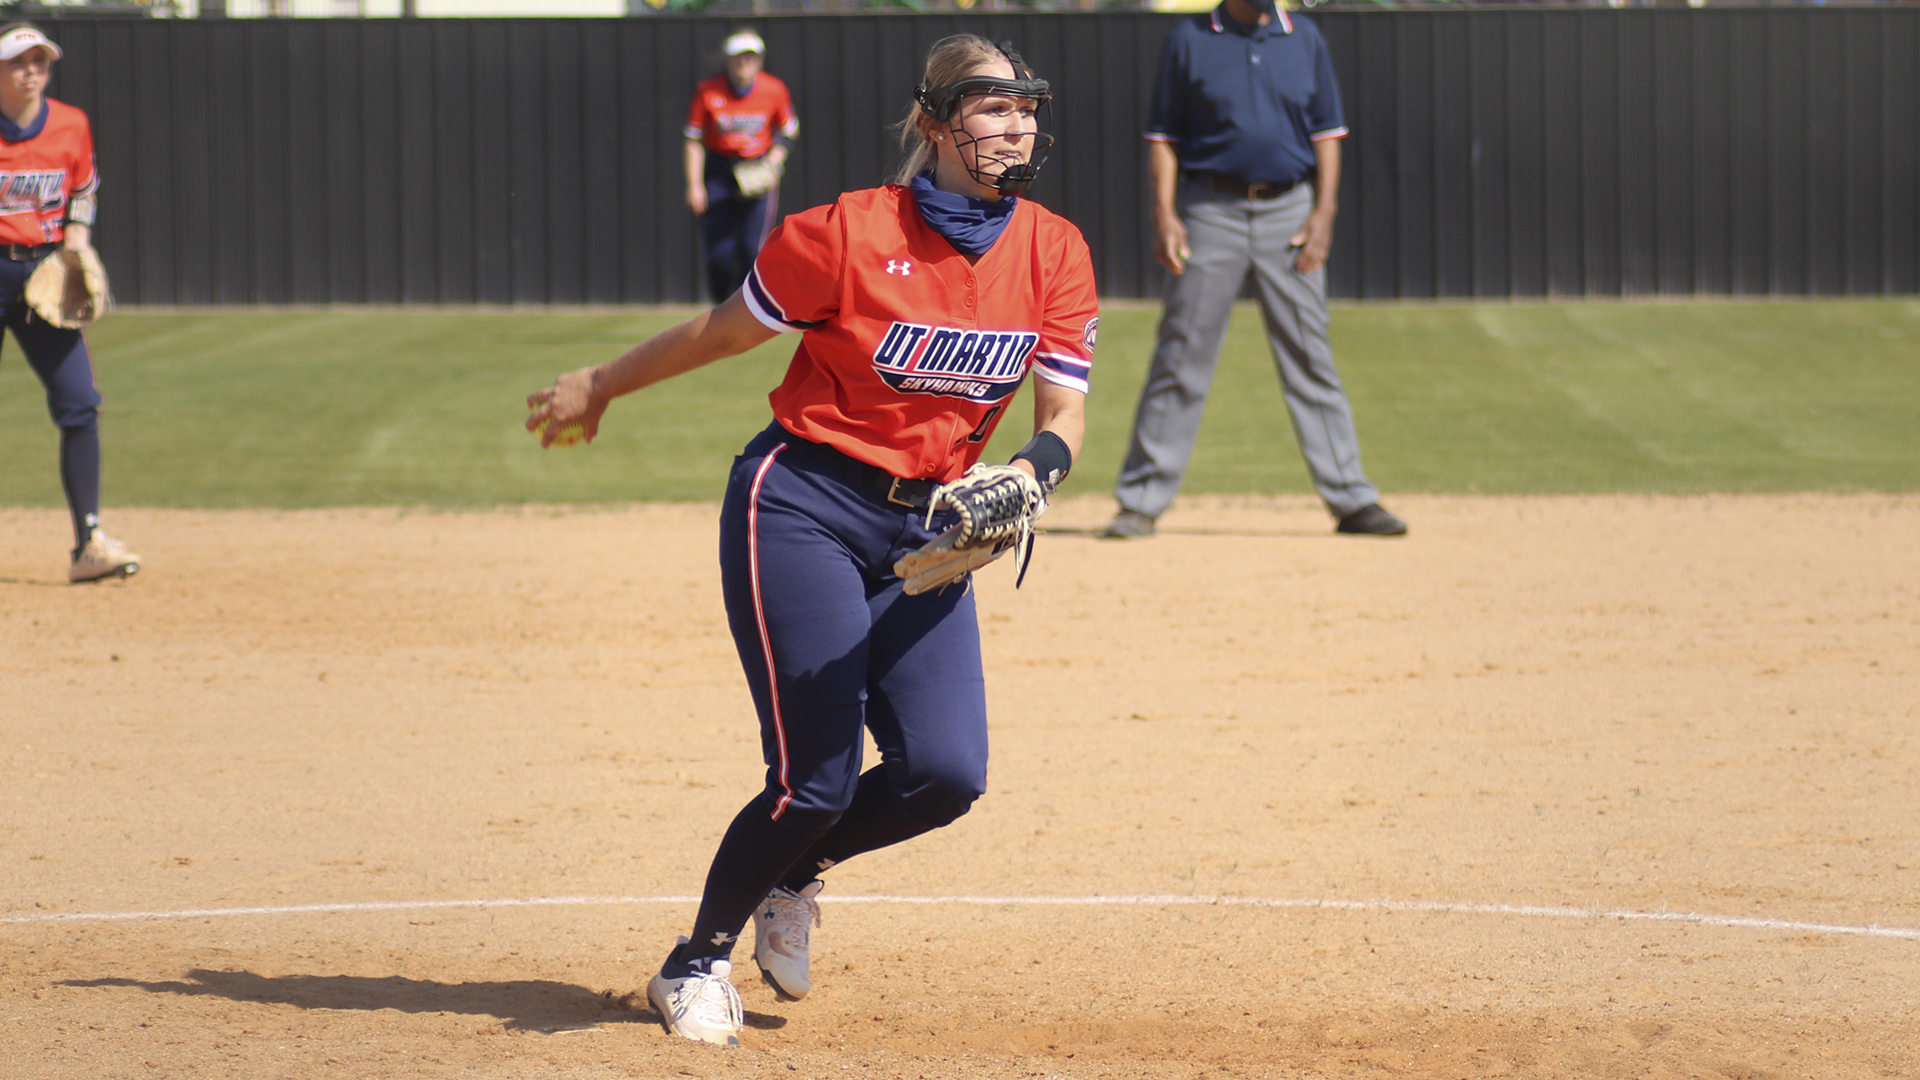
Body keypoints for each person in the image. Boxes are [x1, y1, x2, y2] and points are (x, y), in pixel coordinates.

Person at [529, 35, 1095, 1047]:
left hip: (931, 526)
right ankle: (694, 961)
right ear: (932, 123)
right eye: (991, 107)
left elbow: (1064, 419)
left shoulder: (1054, 249)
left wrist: (1029, 474)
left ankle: (794, 873)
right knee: (818, 778)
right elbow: (721, 334)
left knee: (945, 774)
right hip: (804, 505)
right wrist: (600, 383)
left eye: (1027, 109)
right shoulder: (841, 232)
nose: (1015, 127)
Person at [1104, 0, 1405, 540]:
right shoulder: (1191, 39)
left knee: (1310, 355)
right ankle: (1141, 501)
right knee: (1181, 354)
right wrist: (1165, 211)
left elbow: (1328, 135)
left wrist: (1324, 212)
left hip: (1289, 211)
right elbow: (1163, 138)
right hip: (1208, 209)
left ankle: (1352, 499)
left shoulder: (1304, 36)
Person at [0, 22, 139, 582]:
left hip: (42, 276)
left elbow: (83, 188)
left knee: (80, 403)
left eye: (40, 61)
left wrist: (77, 243)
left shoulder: (70, 123)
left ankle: (90, 544)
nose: (31, 70)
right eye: (18, 61)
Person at [684, 29, 797, 305]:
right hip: (719, 171)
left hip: (756, 168)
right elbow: (693, 139)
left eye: (751, 56)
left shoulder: (773, 89)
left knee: (751, 250)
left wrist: (774, 160)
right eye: (738, 56)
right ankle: (719, 309)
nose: (744, 62)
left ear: (759, 60)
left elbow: (789, 129)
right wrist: (695, 185)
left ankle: (743, 313)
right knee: (720, 254)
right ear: (728, 59)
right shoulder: (708, 91)